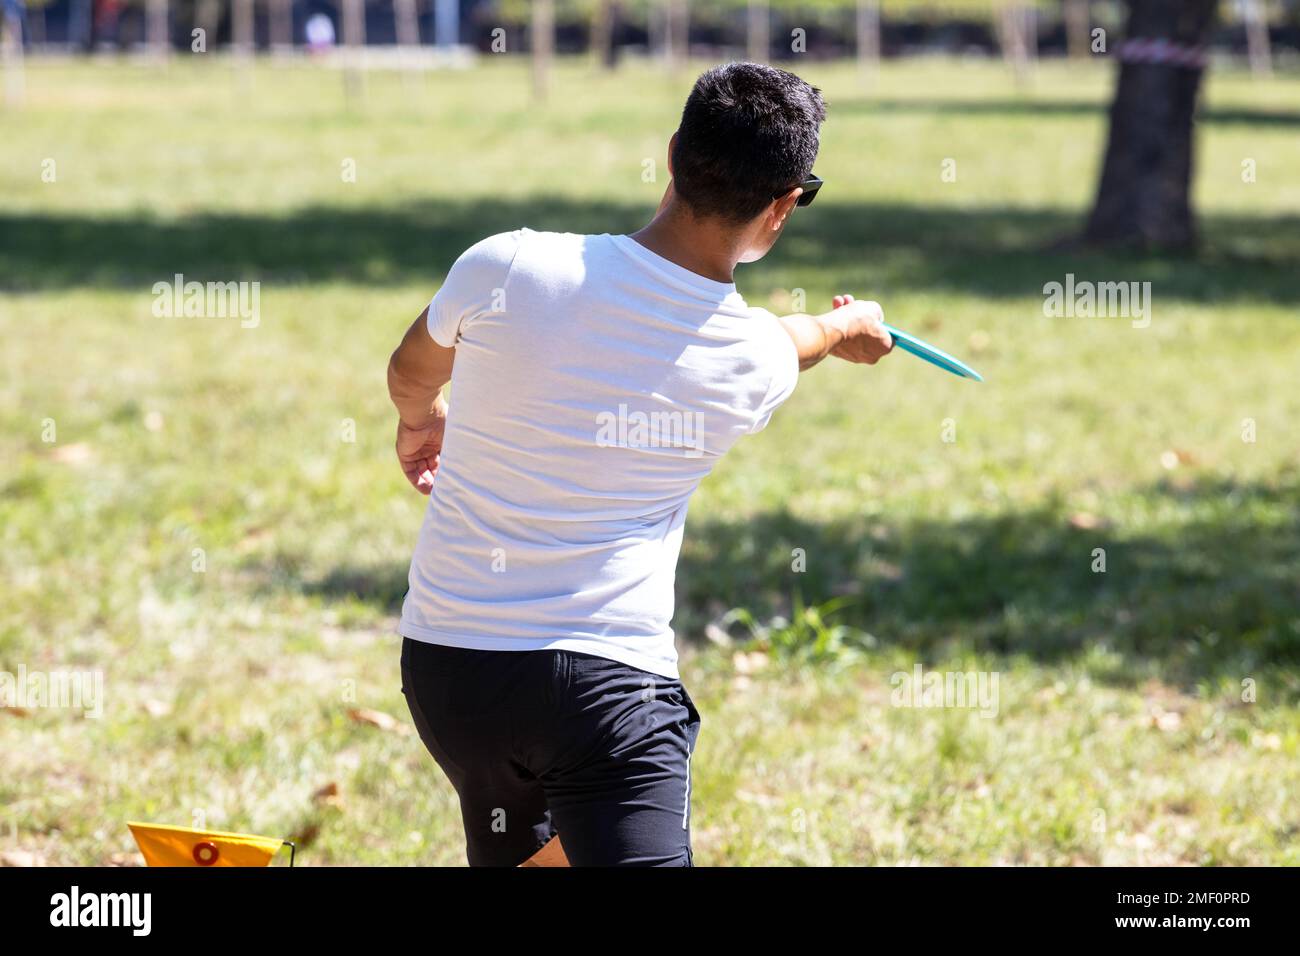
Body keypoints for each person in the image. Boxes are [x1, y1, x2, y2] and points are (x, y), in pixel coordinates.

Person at [387, 62, 893, 867]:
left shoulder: (507, 265)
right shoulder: (748, 360)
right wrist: (850, 326)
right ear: (785, 204)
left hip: (450, 669)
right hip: (604, 689)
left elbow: (412, 367)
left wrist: (422, 421)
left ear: (671, 155)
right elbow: (796, 341)